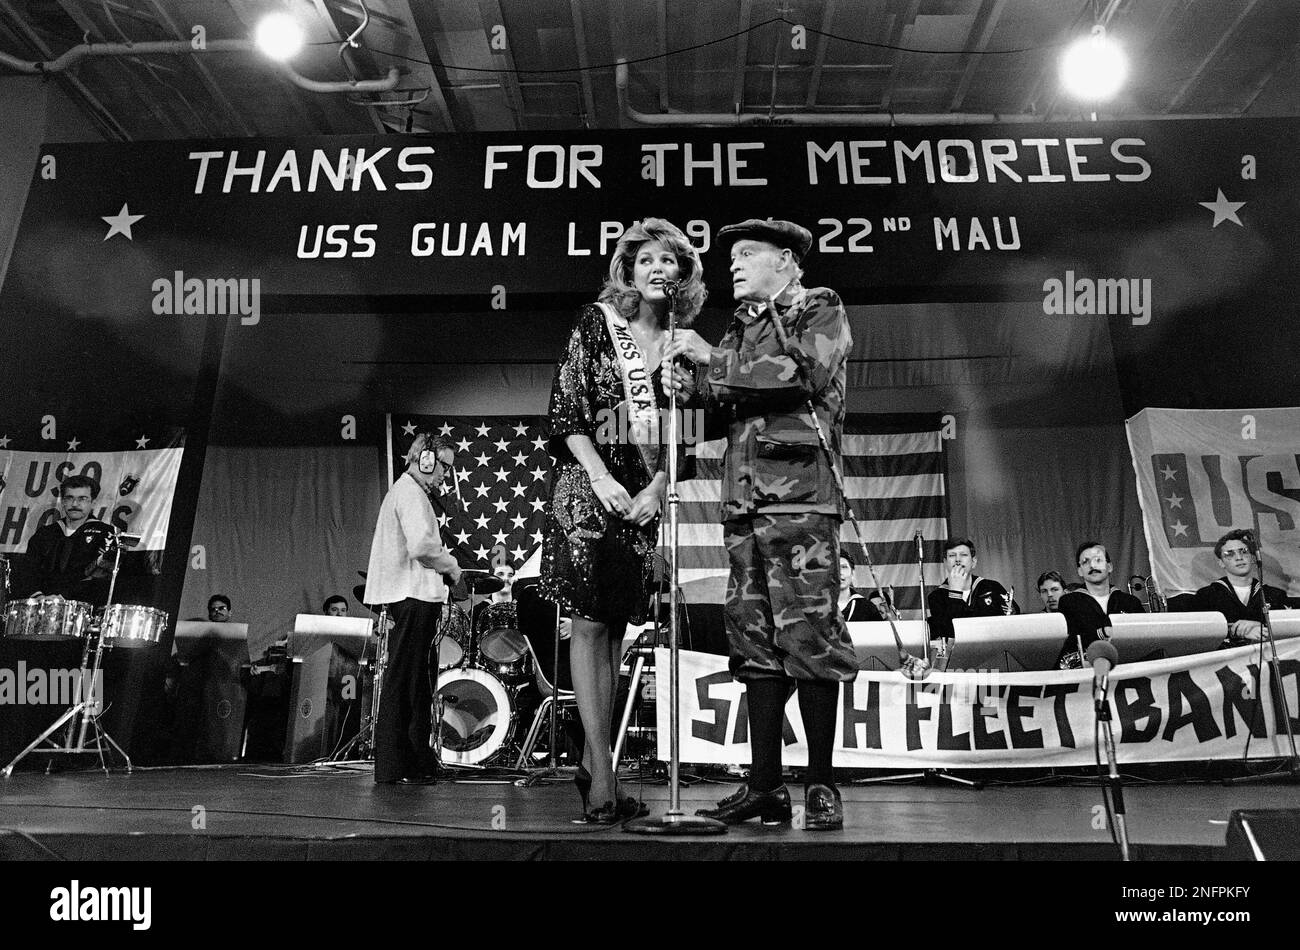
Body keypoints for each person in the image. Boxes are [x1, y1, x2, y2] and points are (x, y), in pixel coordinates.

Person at [664, 217, 856, 831]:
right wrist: (690, 386)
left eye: (748, 253)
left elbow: (802, 376)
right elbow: (723, 404)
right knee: (755, 647)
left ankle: (821, 785)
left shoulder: (820, 306)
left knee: (811, 640)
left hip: (800, 503)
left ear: (787, 261)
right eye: (733, 256)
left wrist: (712, 359)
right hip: (743, 508)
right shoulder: (740, 328)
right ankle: (766, 787)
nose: (735, 264)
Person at [540, 217, 703, 824]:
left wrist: (658, 488)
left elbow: (689, 436)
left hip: (643, 500)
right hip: (588, 489)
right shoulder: (597, 323)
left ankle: (594, 765)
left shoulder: (684, 345)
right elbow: (566, 409)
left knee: (615, 630)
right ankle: (604, 781)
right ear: (628, 272)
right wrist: (602, 477)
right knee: (589, 624)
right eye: (646, 261)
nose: (658, 269)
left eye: (669, 261)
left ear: (684, 274)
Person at [363, 432, 463, 785]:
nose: (445, 475)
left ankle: (414, 761)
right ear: (425, 460)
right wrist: (452, 568)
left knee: (415, 682)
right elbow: (421, 546)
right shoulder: (410, 493)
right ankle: (393, 765)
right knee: (404, 680)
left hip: (414, 596)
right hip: (411, 597)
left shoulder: (410, 493)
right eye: (443, 466)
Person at [22, 474, 115, 602]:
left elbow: (101, 576)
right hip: (41, 605)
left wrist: (62, 598)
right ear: (63, 502)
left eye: (82, 499)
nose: (75, 504)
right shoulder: (45, 534)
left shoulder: (106, 534)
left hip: (83, 607)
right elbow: (27, 571)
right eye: (69, 498)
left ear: (93, 503)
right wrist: (39, 597)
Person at [1192, 529, 1289, 644]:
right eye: (1229, 554)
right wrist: (1235, 631)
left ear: (1252, 557)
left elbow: (1287, 630)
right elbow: (1199, 633)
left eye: (1244, 551)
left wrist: (1260, 626)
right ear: (1221, 563)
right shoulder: (1207, 595)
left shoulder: (1274, 595)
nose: (1239, 557)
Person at [1056, 541, 1144, 666]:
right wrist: (1102, 633)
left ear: (1109, 567)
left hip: (1128, 670)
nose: (1092, 565)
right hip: (1086, 671)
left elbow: (1143, 639)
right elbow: (1069, 641)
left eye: (1098, 560)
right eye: (1085, 562)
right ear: (1080, 571)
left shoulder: (1131, 602)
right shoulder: (1069, 602)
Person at [925, 538, 1019, 642]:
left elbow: (1014, 623)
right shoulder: (936, 597)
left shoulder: (993, 587)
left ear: (973, 562)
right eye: (952, 555)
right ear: (945, 563)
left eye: (963, 555)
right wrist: (955, 592)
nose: (958, 559)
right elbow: (950, 632)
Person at [838, 550, 883, 622]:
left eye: (844, 567)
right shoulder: (818, 606)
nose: (840, 572)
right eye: (835, 567)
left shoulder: (868, 608)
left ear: (853, 573)